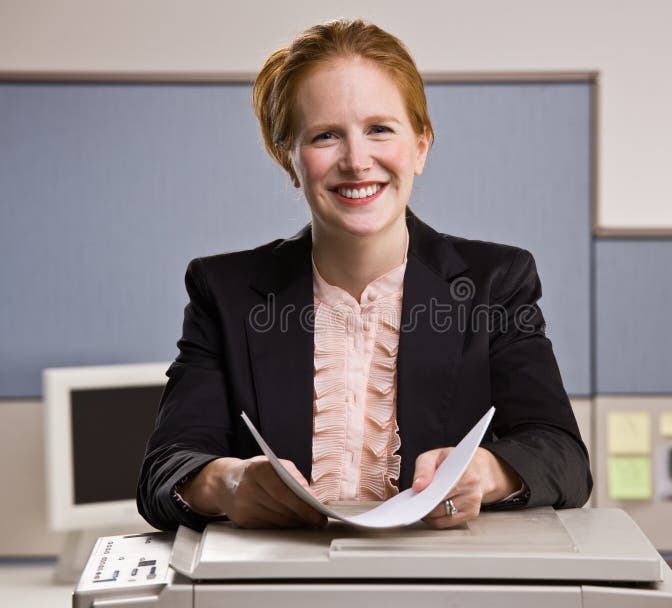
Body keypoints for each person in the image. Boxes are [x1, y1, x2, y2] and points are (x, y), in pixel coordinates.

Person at [137, 19, 592, 532]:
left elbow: (564, 458)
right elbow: (163, 471)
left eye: (379, 129)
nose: (356, 161)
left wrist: (484, 473)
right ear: (290, 160)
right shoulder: (224, 292)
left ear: (421, 146)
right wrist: (227, 483)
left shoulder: (497, 282)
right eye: (325, 135)